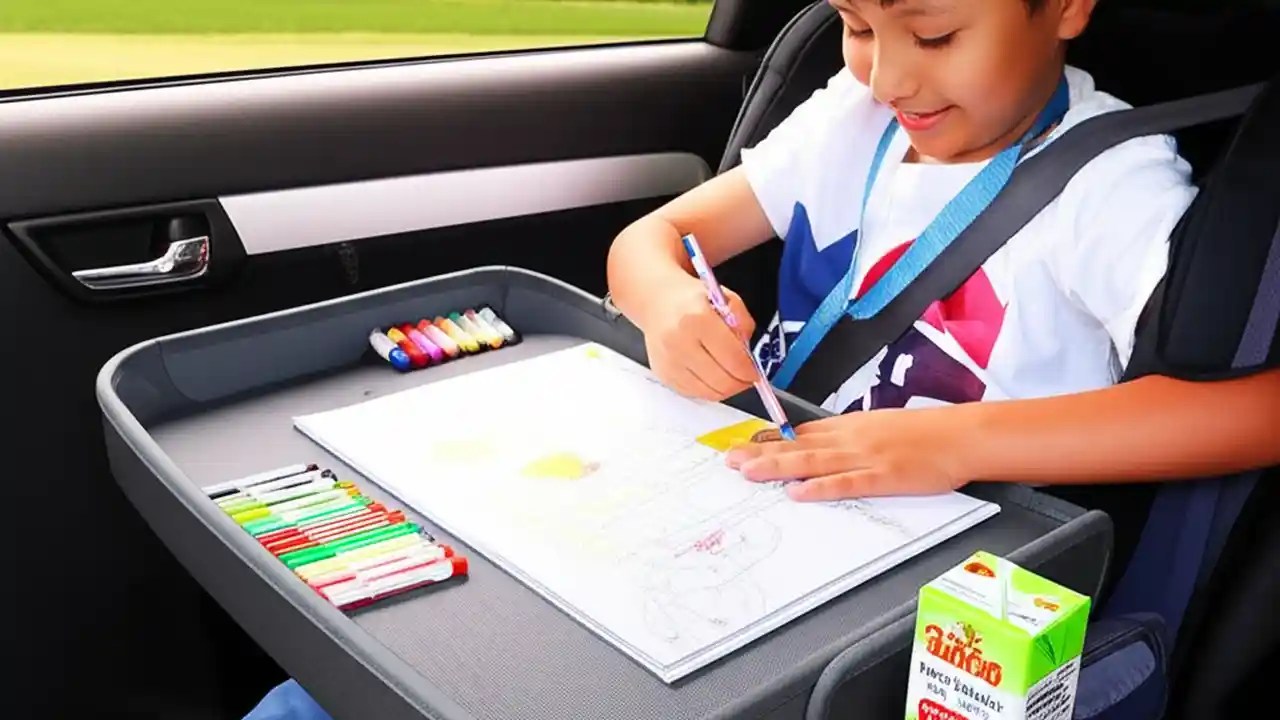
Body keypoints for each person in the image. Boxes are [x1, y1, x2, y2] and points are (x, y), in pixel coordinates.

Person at [605, 0, 1280, 502]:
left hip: (955, 590)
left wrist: (960, 442)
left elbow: (1257, 413)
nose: (887, 80)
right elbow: (649, 241)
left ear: (1068, 7)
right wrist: (666, 302)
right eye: (857, 26)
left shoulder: (1110, 184)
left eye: (935, 36)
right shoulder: (847, 120)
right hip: (773, 500)